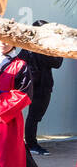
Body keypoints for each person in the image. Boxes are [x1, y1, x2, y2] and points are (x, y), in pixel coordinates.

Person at [23, 23, 61, 156]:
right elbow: (21, 59)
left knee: (36, 116)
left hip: (44, 86)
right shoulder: (27, 45)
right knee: (32, 117)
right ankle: (31, 144)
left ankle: (31, 143)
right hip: (29, 86)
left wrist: (45, 49)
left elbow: (57, 63)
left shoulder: (47, 46)